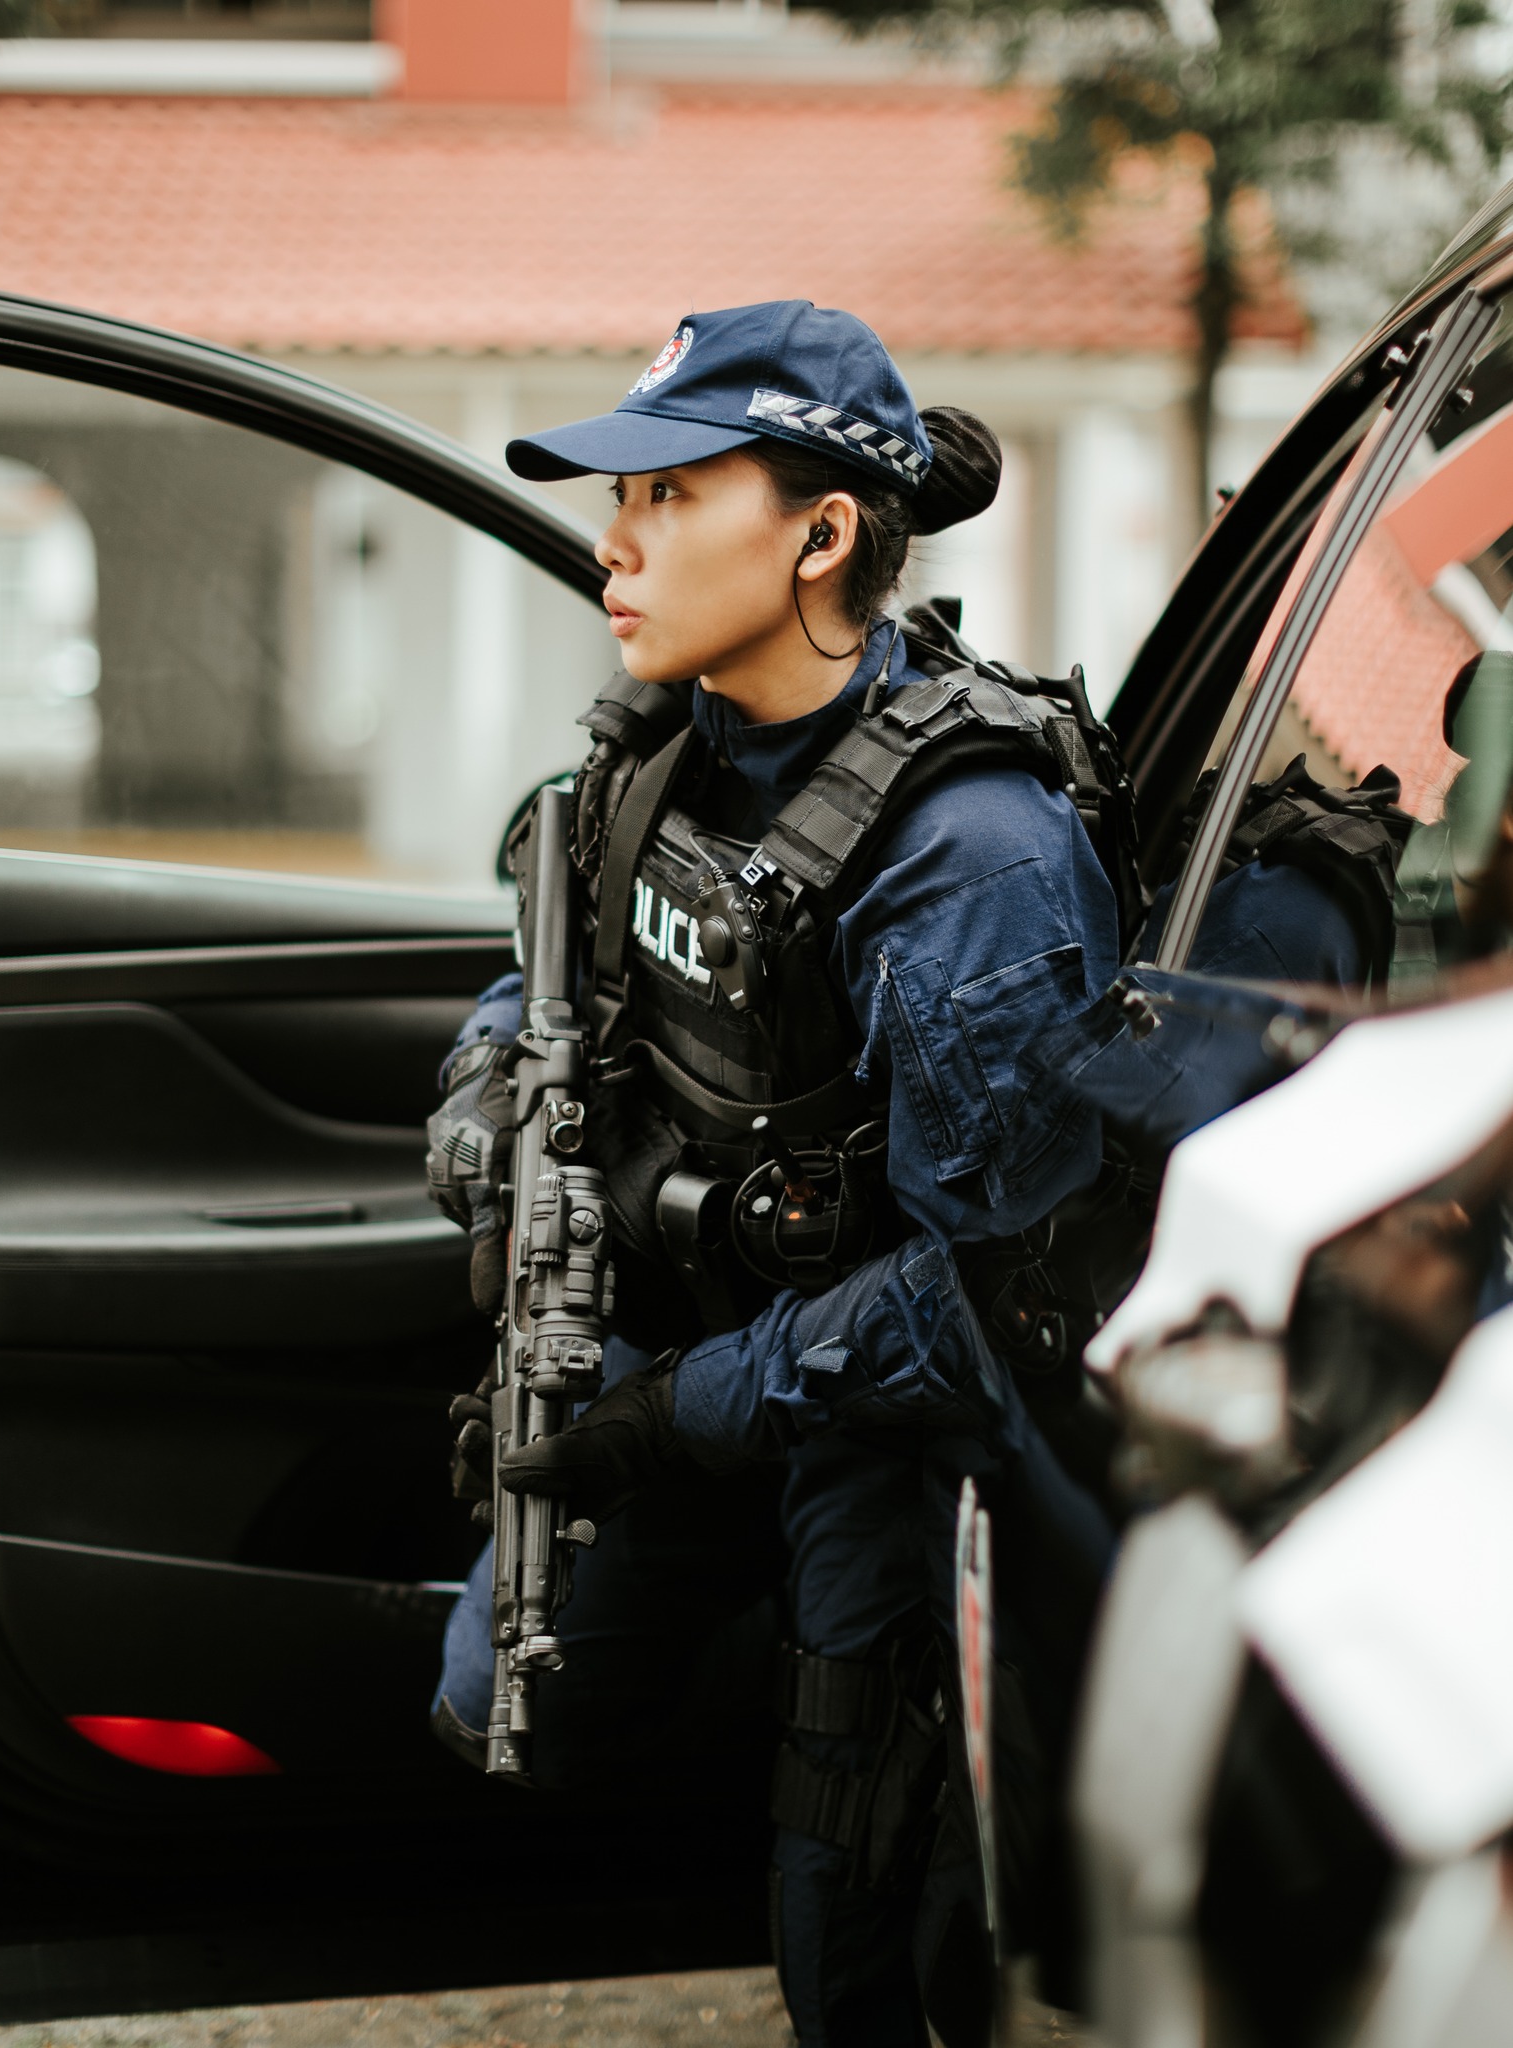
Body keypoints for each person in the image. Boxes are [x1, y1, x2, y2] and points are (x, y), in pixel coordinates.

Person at [426, 300, 1117, 2048]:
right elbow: (552, 969)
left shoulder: (970, 855)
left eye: (667, 494)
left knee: (848, 1909)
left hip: (890, 1420)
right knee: (508, 1702)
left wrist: (675, 1421)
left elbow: (992, 1298)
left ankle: (937, 1757)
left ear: (820, 538)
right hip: (701, 1343)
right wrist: (484, 1086)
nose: (617, 542)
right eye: (620, 497)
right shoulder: (664, 743)